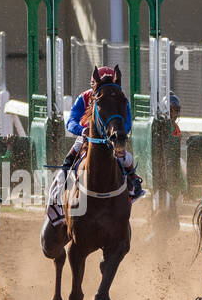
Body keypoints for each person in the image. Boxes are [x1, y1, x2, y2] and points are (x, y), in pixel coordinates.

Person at [55, 66, 143, 200]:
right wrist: (83, 130)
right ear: (94, 85)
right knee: (68, 161)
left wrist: (118, 132)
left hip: (112, 138)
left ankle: (133, 183)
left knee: (126, 157)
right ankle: (59, 191)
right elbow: (71, 121)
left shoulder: (120, 97)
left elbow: (127, 122)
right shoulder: (84, 97)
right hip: (87, 138)